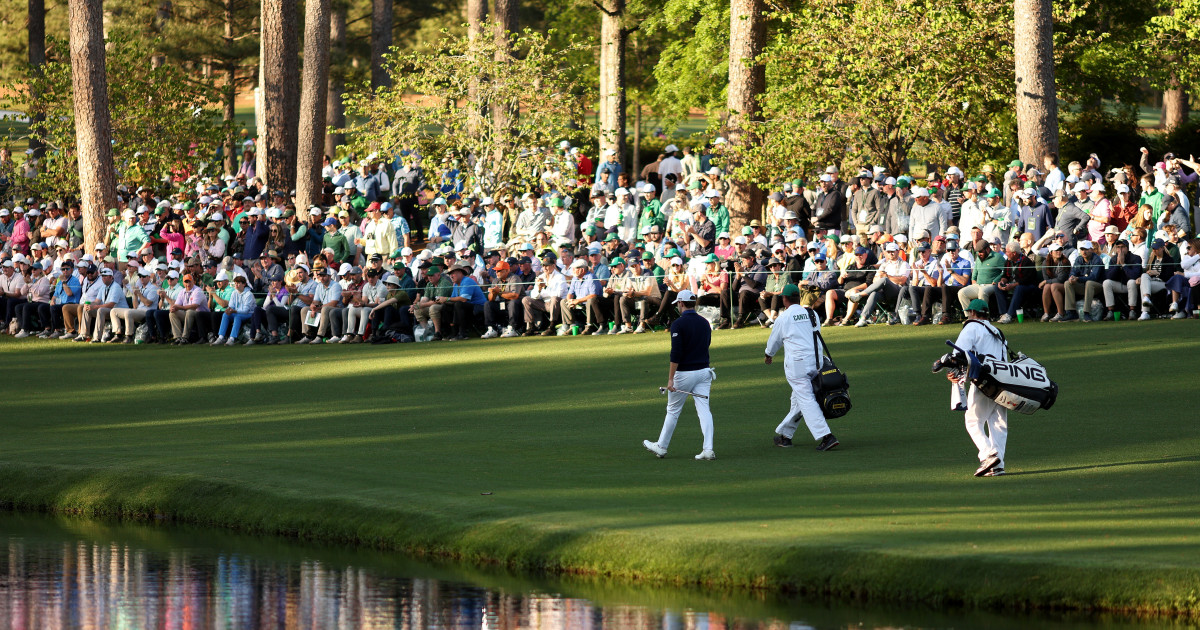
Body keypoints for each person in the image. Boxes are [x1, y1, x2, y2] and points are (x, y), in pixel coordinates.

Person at [641, 289, 716, 461]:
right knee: (704, 410)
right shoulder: (705, 322)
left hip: (685, 374)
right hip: (704, 372)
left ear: (681, 304)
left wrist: (670, 379)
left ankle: (661, 446)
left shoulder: (678, 324)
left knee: (673, 411)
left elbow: (676, 354)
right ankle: (708, 449)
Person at [764, 284, 839, 451]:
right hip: (817, 361)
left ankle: (826, 436)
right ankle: (785, 436)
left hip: (798, 365)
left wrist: (768, 354)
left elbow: (774, 341)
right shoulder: (812, 314)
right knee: (797, 400)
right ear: (798, 297)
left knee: (805, 400)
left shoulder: (784, 318)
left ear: (784, 299)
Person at [948, 299, 1008, 477]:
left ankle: (988, 455)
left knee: (973, 421)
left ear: (973, 313)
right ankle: (998, 466)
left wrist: (955, 373)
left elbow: (957, 354)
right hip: (1004, 381)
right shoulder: (997, 331)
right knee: (998, 424)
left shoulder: (971, 327)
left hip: (984, 381)